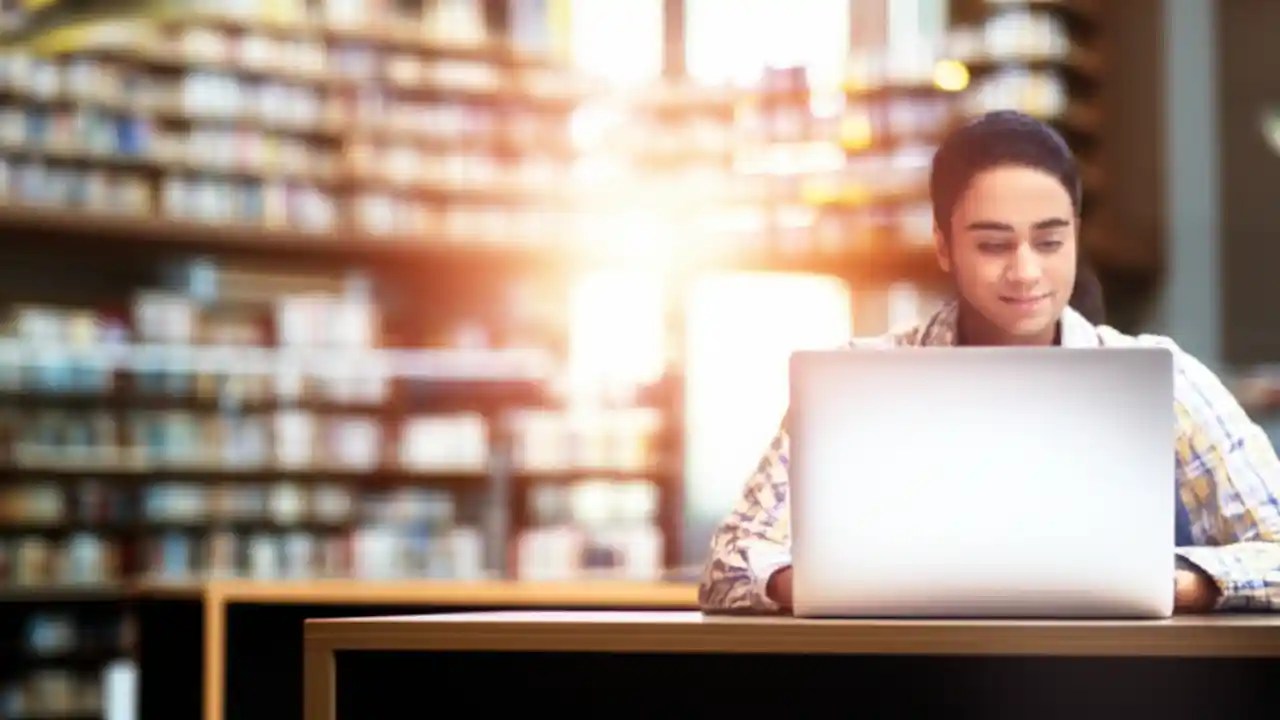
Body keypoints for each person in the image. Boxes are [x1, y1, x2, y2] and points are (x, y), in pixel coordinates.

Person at [697, 110, 1280, 615]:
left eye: (1049, 243)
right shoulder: (857, 381)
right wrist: (840, 590)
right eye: (994, 244)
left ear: (1075, 237)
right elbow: (730, 561)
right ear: (944, 245)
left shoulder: (1162, 376)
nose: (1025, 272)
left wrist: (1177, 586)